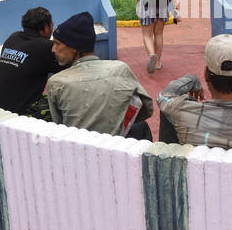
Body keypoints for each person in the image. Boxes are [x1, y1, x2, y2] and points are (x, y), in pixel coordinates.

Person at [47, 11, 153, 140]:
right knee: (142, 127)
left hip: (78, 148)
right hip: (116, 145)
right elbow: (147, 109)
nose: (53, 49)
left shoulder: (56, 82)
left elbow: (59, 124)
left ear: (74, 47)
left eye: (57, 43)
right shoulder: (120, 69)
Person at [0, 6, 61, 119]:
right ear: (45, 27)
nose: (52, 29)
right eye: (51, 25)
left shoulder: (13, 38)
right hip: (23, 116)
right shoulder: (45, 46)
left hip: (1, 109)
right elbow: (70, 68)